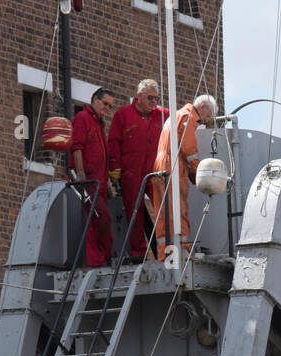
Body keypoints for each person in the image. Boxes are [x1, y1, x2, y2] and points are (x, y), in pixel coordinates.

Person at [151, 94, 217, 259]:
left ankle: (164, 255)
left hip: (160, 166)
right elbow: (189, 149)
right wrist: (199, 173)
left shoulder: (176, 116)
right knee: (178, 211)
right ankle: (183, 252)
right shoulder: (188, 117)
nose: (204, 121)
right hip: (173, 165)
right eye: (207, 116)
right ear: (202, 107)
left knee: (163, 214)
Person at [107, 79, 166, 262]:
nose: (153, 102)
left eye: (156, 99)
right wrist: (115, 167)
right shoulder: (122, 115)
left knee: (165, 209)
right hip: (131, 173)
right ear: (139, 96)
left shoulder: (163, 115)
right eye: (150, 98)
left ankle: (166, 250)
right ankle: (138, 252)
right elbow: (114, 142)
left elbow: (180, 122)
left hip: (155, 171)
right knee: (135, 211)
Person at [71, 87, 116, 267]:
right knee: (98, 218)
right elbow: (77, 147)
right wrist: (81, 175)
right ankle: (97, 259)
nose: (107, 108)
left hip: (100, 182)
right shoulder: (83, 119)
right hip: (90, 182)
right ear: (95, 100)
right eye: (105, 103)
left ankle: (102, 257)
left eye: (110, 106)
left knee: (101, 218)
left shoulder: (99, 122)